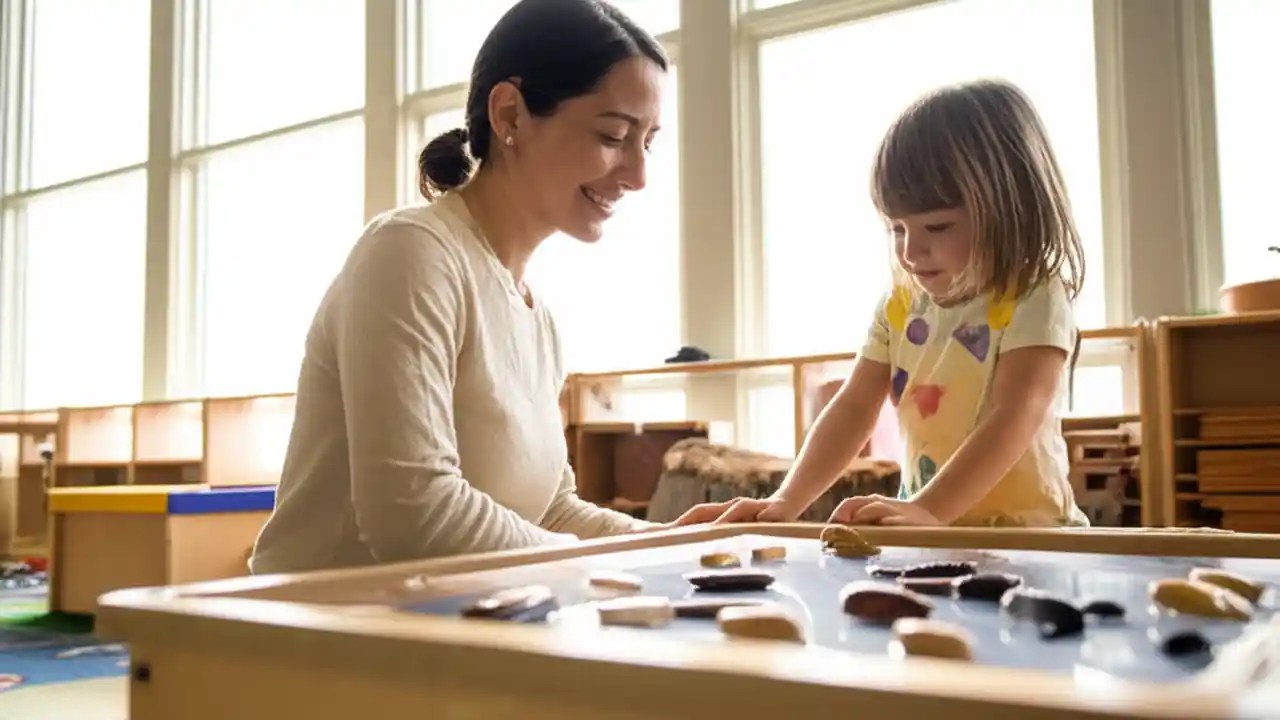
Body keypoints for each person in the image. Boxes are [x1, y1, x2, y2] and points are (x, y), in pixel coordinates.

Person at [250, 0, 671, 574]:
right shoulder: (409, 253)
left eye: (648, 142)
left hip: (440, 631)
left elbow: (547, 511)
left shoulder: (538, 317)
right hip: (317, 638)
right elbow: (412, 513)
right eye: (614, 134)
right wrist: (594, 563)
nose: (639, 174)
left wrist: (667, 543)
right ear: (511, 116)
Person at [681, 79, 1089, 529]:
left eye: (937, 227)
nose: (911, 252)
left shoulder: (1035, 295)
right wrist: (786, 501)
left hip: (1031, 538)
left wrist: (929, 508)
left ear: (1011, 209)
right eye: (897, 229)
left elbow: (1016, 412)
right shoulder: (901, 305)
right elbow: (855, 405)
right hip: (931, 536)